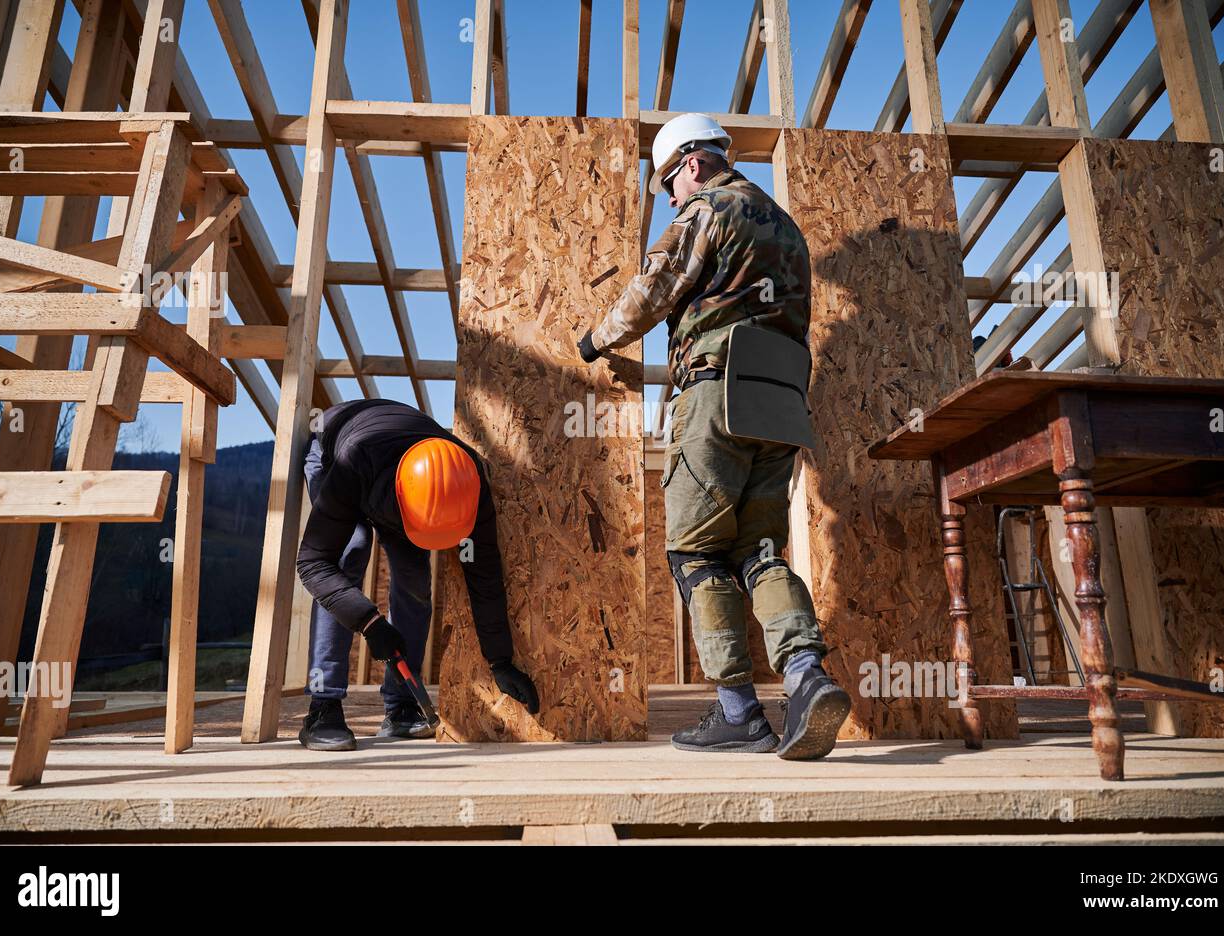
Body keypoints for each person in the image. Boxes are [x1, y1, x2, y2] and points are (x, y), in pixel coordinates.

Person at [577, 113, 850, 760]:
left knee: (694, 553)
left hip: (716, 393)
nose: (671, 196)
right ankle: (806, 674)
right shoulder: (787, 227)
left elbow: (651, 293)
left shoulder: (707, 208)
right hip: (780, 402)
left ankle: (739, 714)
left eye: (670, 182)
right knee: (759, 549)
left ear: (692, 163)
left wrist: (593, 340)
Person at [295, 398, 538, 751]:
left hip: (397, 479)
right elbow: (314, 563)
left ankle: (403, 706)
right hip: (337, 453)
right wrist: (369, 623)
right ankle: (323, 707)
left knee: (414, 581)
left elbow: (482, 576)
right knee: (351, 550)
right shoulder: (354, 462)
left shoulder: (469, 483)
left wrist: (500, 660)